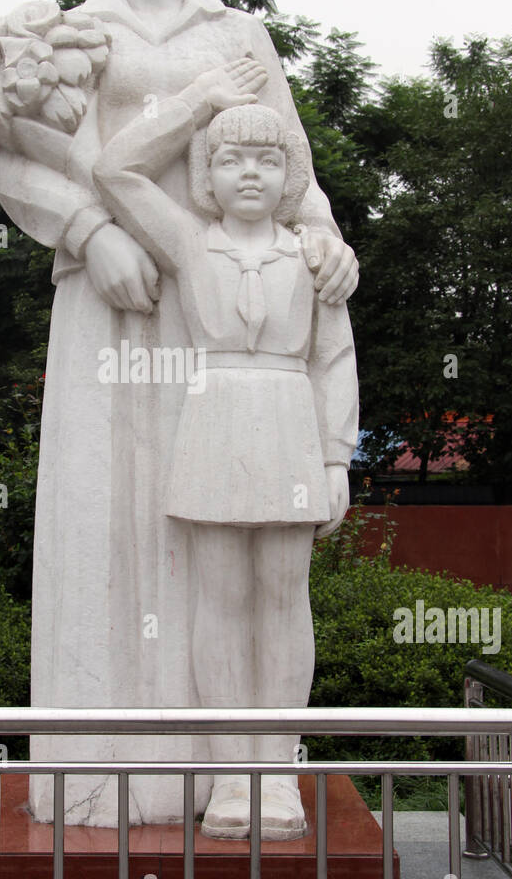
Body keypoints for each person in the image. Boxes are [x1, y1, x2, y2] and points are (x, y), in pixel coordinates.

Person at [0, 0, 360, 826]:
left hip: (221, 325)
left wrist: (324, 239)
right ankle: (108, 767)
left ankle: (232, 765)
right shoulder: (67, 34)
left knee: (216, 553)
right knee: (108, 518)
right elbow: (13, 159)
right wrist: (90, 228)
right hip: (109, 309)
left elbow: (292, 169)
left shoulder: (237, 38)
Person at [92, 61, 358, 837]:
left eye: (268, 160)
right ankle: (233, 775)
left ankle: (276, 769)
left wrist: (338, 458)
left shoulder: (313, 256)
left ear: (290, 176)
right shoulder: (188, 240)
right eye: (231, 158)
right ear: (206, 173)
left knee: (283, 595)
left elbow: (333, 360)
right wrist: (198, 101)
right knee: (220, 601)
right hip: (211, 424)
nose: (250, 172)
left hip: (288, 426)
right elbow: (116, 168)